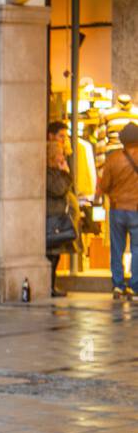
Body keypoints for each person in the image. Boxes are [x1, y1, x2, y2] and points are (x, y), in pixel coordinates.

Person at [97, 121, 138, 300]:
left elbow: (105, 185)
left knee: (117, 248)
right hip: (136, 209)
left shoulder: (113, 159)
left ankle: (118, 285)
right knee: (137, 249)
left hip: (117, 209)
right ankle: (135, 286)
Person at [45, 141, 79, 298]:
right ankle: (49, 286)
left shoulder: (54, 172)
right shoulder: (48, 173)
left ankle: (51, 286)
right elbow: (58, 189)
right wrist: (65, 173)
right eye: (60, 153)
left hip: (57, 216)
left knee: (55, 254)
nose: (63, 157)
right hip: (52, 217)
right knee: (51, 253)